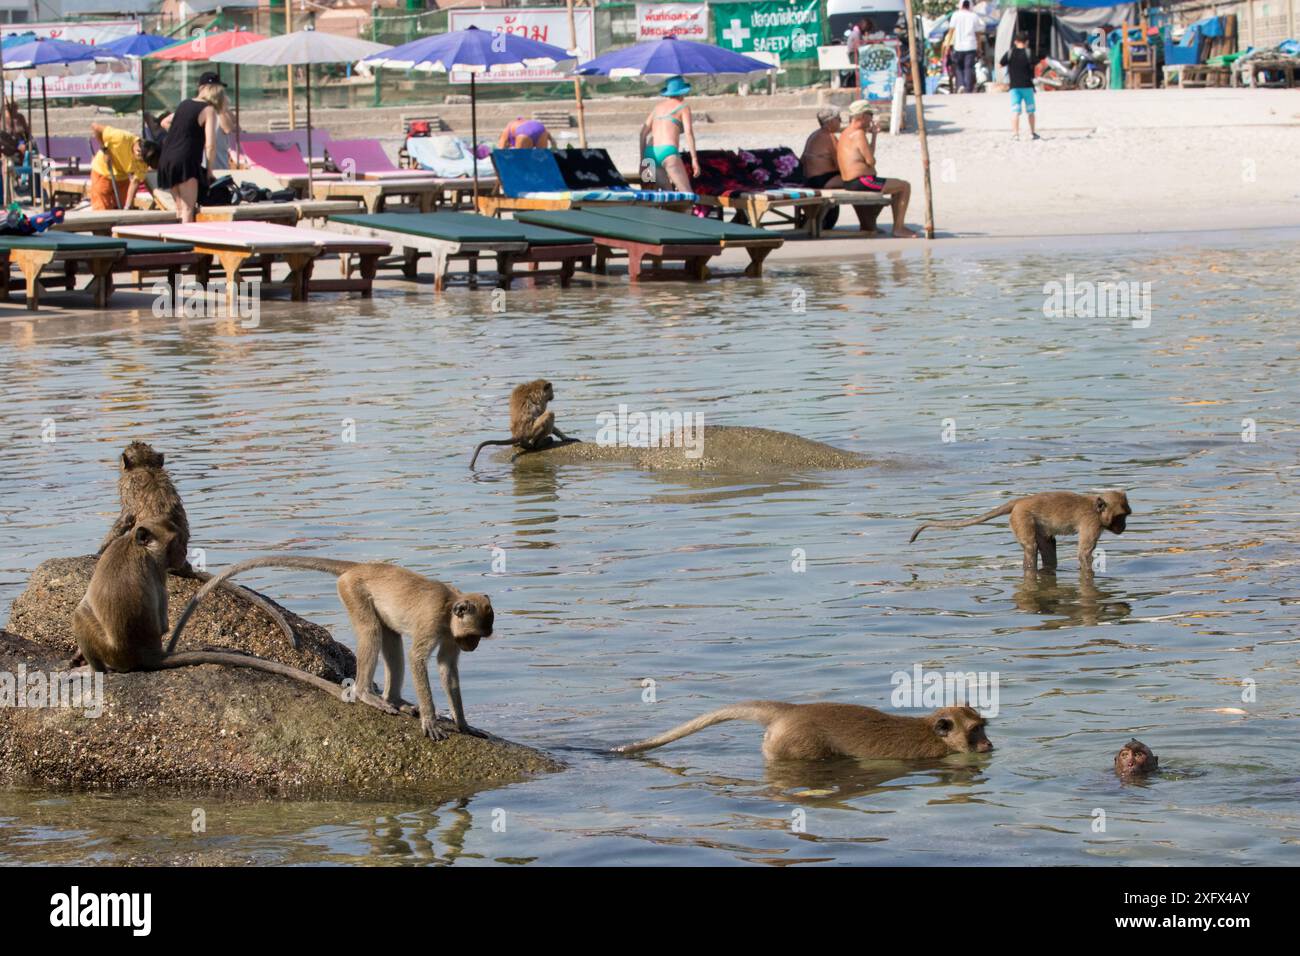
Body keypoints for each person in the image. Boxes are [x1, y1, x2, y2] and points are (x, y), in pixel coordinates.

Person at [836, 100, 917, 238]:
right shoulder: (859, 134)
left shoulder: (845, 133)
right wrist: (870, 163)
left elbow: (867, 157)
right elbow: (871, 161)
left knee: (898, 184)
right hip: (862, 181)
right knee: (904, 186)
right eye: (870, 114)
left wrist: (873, 136)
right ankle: (898, 228)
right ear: (861, 115)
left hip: (851, 182)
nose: (871, 118)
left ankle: (897, 226)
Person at [156, 75, 226, 222]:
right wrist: (209, 171)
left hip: (167, 159)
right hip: (185, 161)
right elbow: (211, 145)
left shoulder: (184, 104)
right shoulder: (209, 110)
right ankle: (187, 244)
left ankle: (175, 242)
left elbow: (164, 122)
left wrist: (184, 133)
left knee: (179, 208)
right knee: (188, 208)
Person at [639, 75, 697, 192]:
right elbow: (688, 133)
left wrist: (642, 161)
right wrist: (694, 159)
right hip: (668, 152)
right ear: (682, 92)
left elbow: (642, 134)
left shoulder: (657, 107)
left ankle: (660, 210)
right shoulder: (683, 107)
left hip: (649, 153)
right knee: (687, 194)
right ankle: (683, 210)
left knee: (651, 195)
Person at [88, 122, 158, 210]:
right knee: (101, 208)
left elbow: (135, 182)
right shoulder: (120, 137)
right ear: (138, 150)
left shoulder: (144, 162)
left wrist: (127, 206)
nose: (141, 163)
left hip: (122, 177)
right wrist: (104, 150)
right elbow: (95, 126)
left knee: (122, 207)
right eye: (140, 159)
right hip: (103, 172)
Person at [801, 107, 846, 230]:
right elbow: (840, 164)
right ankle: (868, 224)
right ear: (830, 122)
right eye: (839, 119)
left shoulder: (814, 135)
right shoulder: (830, 137)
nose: (841, 122)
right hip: (822, 180)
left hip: (809, 178)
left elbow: (802, 160)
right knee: (859, 182)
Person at [1001, 33, 1040, 140]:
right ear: (1026, 42)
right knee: (1031, 112)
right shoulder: (1029, 53)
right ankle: (1032, 133)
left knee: (1015, 111)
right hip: (1028, 86)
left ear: (1015, 41)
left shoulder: (1009, 53)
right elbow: (1038, 64)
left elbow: (1000, 64)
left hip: (1014, 87)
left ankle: (1015, 134)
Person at [950, 1, 983, 94]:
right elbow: (977, 34)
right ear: (969, 6)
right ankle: (968, 88)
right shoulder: (974, 16)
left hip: (958, 46)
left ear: (961, 6)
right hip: (971, 46)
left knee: (959, 67)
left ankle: (961, 85)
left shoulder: (955, 15)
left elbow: (951, 31)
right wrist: (979, 47)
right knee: (968, 67)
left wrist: (947, 45)